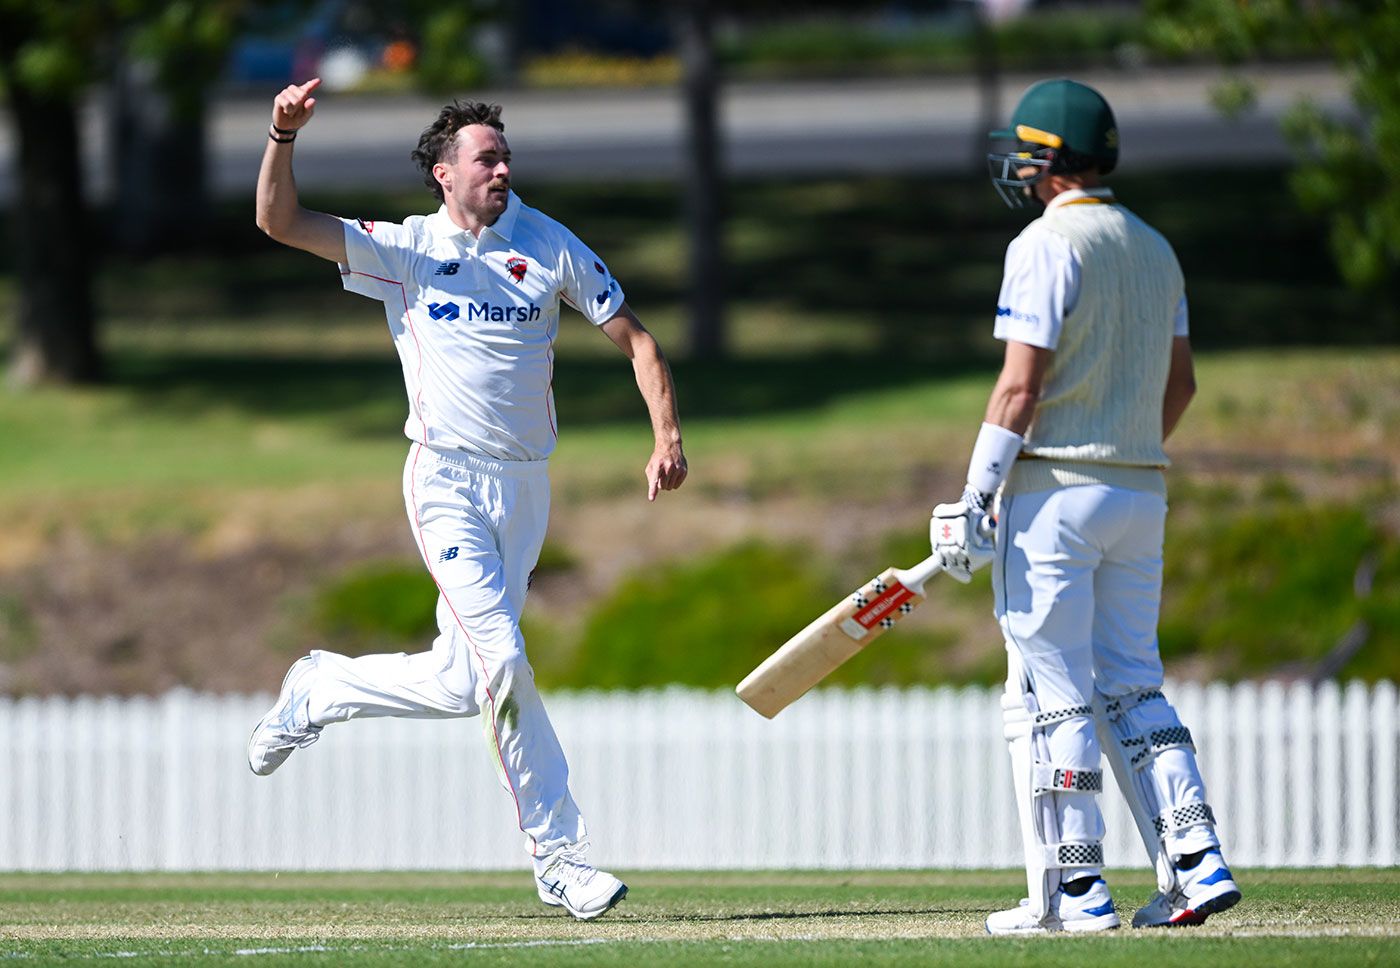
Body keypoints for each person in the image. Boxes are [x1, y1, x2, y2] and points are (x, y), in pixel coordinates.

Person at [246, 78, 687, 921]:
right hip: (444, 478)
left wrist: (667, 439)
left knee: (463, 682)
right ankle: (562, 859)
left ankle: (320, 690)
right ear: (444, 175)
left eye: (506, 155)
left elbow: (638, 342)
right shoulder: (405, 248)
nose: (503, 167)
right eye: (486, 157)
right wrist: (281, 133)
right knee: (506, 661)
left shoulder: (549, 245)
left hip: (525, 488)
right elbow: (278, 222)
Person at [929, 78, 1241, 933]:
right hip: (1142, 487)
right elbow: (1181, 384)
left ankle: (1076, 890)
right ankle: (1196, 858)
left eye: (1029, 151)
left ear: (1052, 161)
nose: (1019, 167)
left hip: (1054, 494)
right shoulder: (1155, 247)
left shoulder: (1043, 244)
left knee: (1052, 694)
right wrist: (1129, 451)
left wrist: (973, 496)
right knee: (1136, 686)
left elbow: (1018, 388)